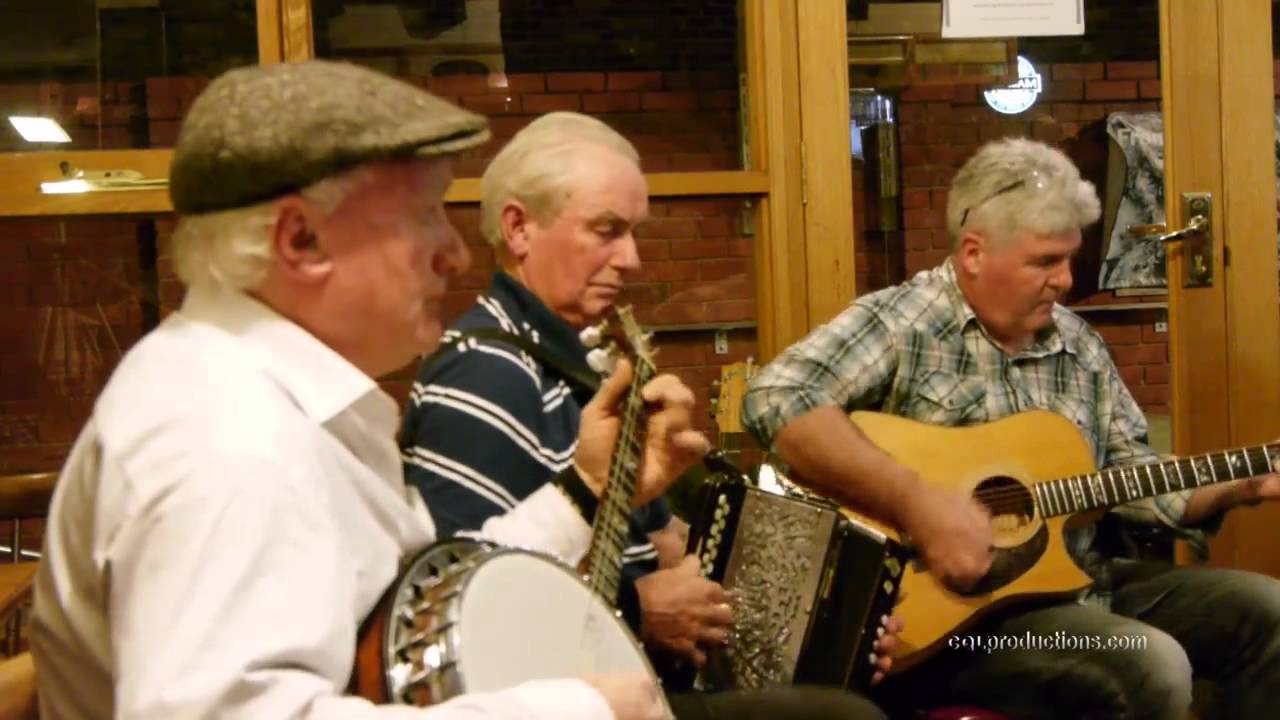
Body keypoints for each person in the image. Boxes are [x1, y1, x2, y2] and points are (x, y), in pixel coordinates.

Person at [29, 60, 711, 720]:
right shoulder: (227, 439)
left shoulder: (275, 397)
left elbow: (418, 604)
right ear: (301, 239)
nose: (456, 253)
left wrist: (587, 487)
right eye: (424, 216)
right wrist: (570, 710)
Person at [741, 136, 1280, 720]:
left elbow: (1129, 479)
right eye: (1046, 261)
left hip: (1082, 582)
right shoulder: (906, 322)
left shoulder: (1078, 343)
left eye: (1071, 258)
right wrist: (918, 503)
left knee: (1269, 612)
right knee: (1150, 662)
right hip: (963, 626)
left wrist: (1238, 486)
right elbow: (776, 396)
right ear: (973, 253)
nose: (1067, 280)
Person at [399, 111, 897, 720]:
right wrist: (640, 608)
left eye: (633, 233)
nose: (631, 258)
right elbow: (460, 612)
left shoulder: (584, 358)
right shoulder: (481, 374)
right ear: (519, 227)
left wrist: (836, 611)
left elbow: (658, 541)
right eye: (606, 230)